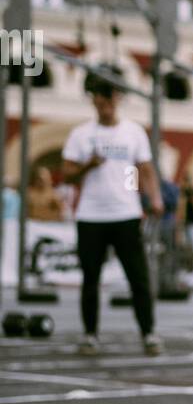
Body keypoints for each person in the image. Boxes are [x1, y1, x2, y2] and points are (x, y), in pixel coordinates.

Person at [61, 72, 163, 356]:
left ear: (117, 99)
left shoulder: (133, 132)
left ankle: (149, 333)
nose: (104, 103)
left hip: (126, 213)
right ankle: (90, 334)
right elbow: (67, 174)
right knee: (90, 278)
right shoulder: (81, 134)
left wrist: (154, 198)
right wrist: (87, 166)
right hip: (91, 215)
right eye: (99, 98)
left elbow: (145, 169)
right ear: (93, 101)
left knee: (138, 278)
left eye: (109, 97)